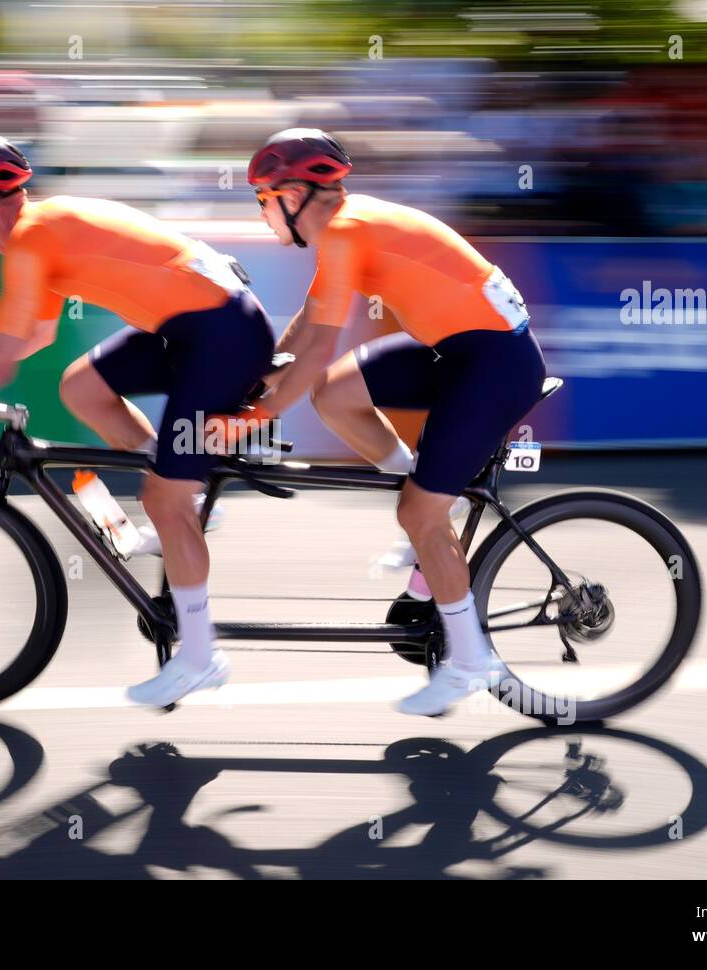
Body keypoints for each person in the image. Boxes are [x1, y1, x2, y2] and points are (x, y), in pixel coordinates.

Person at [0, 135, 275, 707]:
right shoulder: (39, 233)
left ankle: (201, 656)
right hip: (200, 326)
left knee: (163, 499)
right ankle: (192, 497)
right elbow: (30, 336)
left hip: (220, 336)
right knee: (83, 387)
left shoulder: (32, 238)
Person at [240, 129, 548, 717]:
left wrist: (259, 416)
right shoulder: (345, 228)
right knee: (335, 393)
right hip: (459, 351)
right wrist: (263, 376)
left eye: (264, 198)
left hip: (495, 364)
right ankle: (432, 506)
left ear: (296, 195)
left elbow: (320, 343)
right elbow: (310, 322)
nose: (262, 211)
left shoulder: (347, 229)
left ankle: (470, 662)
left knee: (417, 514)